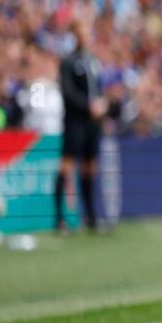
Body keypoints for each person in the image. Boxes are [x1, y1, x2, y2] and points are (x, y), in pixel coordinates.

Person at [56, 17, 105, 233]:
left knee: (89, 167)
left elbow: (98, 88)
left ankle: (91, 216)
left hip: (93, 123)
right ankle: (59, 218)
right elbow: (67, 93)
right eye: (83, 31)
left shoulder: (93, 61)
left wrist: (102, 105)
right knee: (67, 166)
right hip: (75, 121)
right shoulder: (68, 62)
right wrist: (88, 105)